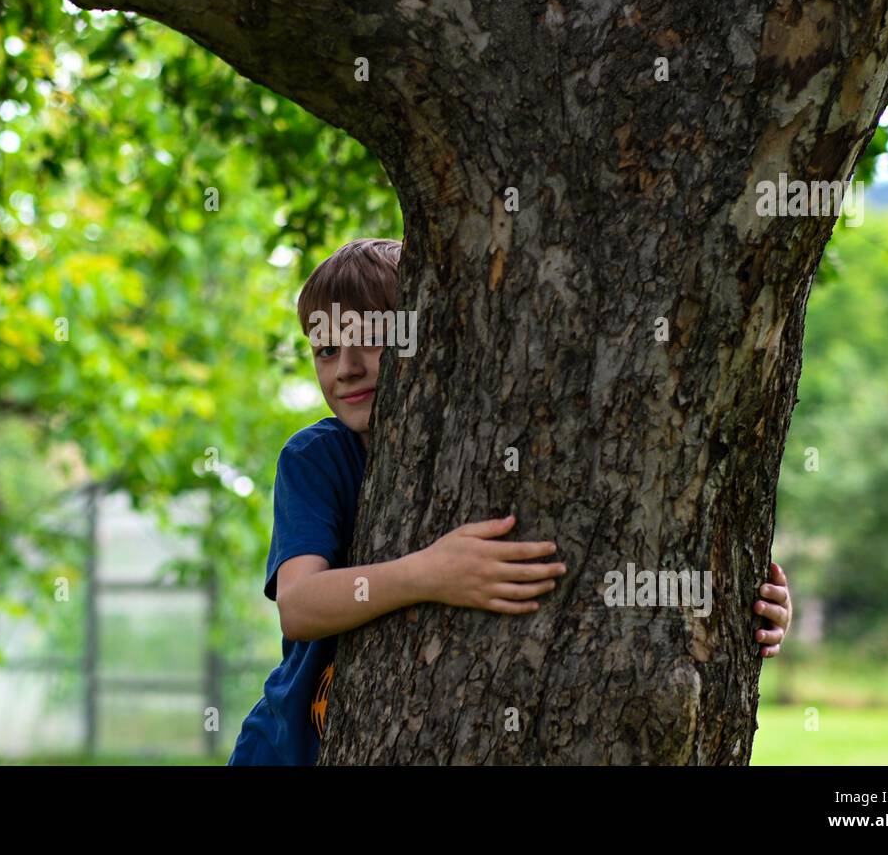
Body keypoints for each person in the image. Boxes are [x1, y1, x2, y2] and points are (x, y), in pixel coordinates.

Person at [227, 238, 793, 765]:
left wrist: (745, 610)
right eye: (326, 349)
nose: (346, 367)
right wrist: (428, 574)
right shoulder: (316, 457)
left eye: (371, 337)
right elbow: (299, 606)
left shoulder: (479, 445)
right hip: (285, 751)